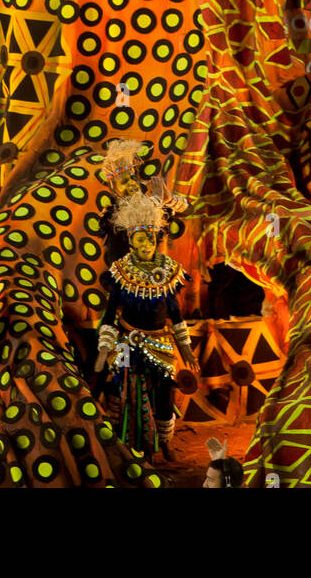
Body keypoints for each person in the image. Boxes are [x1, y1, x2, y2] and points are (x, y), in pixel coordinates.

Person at [97, 190, 197, 460]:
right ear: (130, 241)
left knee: (165, 391)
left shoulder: (168, 270)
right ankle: (135, 445)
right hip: (128, 341)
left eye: (150, 238)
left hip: (161, 341)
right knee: (127, 392)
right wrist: (104, 349)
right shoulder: (120, 273)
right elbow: (109, 315)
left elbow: (174, 312)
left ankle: (165, 440)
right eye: (140, 237)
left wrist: (185, 347)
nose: (146, 243)